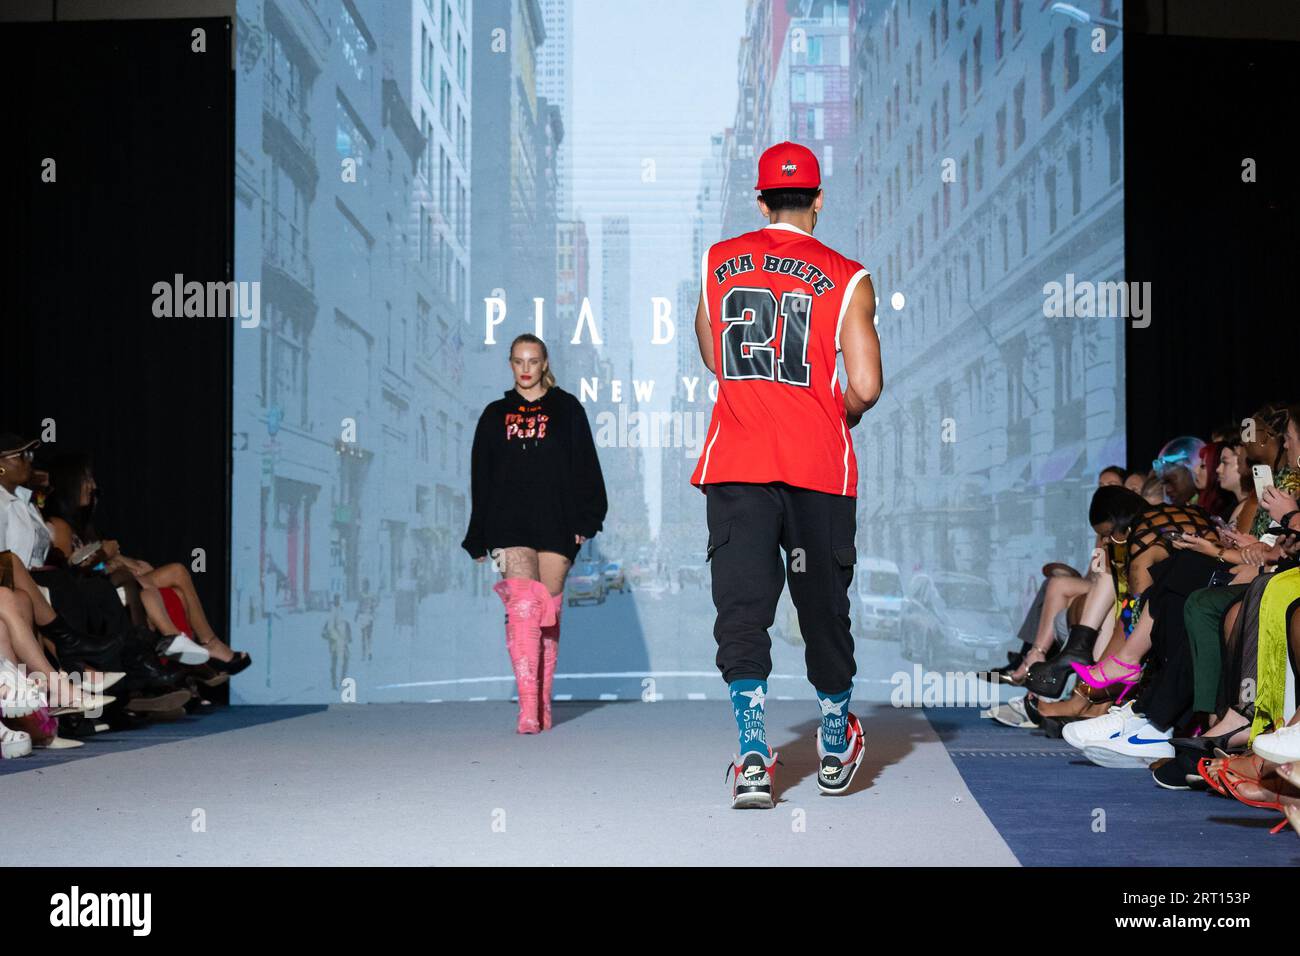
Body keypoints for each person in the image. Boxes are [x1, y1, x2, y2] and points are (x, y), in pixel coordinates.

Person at [690, 141, 882, 809]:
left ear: (760, 197)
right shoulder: (848, 275)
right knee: (822, 607)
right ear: (819, 200)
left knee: (743, 610)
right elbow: (866, 384)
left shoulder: (719, 262)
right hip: (816, 467)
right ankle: (834, 734)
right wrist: (835, 412)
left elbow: (715, 353)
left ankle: (750, 754)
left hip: (738, 462)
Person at [462, 333, 608, 734]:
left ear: (544, 364)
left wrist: (586, 520)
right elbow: (482, 478)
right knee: (522, 608)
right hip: (508, 522)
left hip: (556, 521)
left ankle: (542, 699)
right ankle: (527, 708)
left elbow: (586, 467)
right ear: (510, 364)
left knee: (547, 616)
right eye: (518, 361)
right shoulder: (494, 415)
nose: (526, 369)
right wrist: (478, 534)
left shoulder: (567, 410)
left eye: (533, 361)